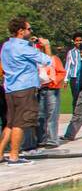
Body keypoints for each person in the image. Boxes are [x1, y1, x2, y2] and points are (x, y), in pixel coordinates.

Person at [1, 17, 52, 166]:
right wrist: (46, 46)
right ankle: (14, 157)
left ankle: (1, 153)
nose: (31, 32)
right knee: (21, 123)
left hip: (10, 88)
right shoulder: (23, 48)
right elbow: (47, 60)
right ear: (21, 31)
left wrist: (32, 44)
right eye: (29, 29)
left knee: (10, 123)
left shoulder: (7, 45)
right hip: (24, 88)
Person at [35, 37, 64, 149]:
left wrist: (55, 80)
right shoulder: (37, 61)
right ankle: (41, 138)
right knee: (40, 115)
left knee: (52, 114)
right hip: (40, 89)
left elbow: (61, 72)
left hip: (52, 89)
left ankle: (52, 139)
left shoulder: (53, 59)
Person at [65, 31, 82, 110]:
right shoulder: (71, 52)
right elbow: (68, 66)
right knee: (76, 98)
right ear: (74, 41)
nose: (79, 42)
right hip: (74, 77)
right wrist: (66, 80)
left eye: (80, 40)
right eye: (77, 40)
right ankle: (75, 117)